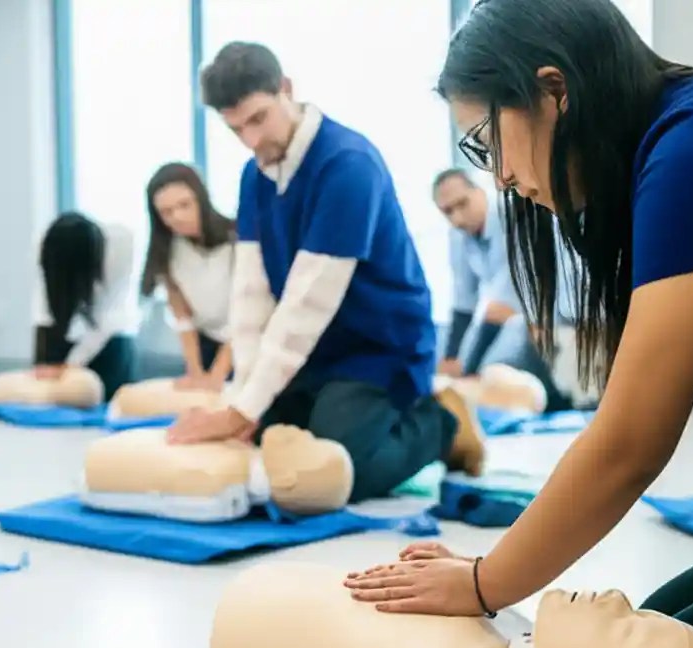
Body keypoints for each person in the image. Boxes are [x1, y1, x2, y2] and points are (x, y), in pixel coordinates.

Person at [343, 0, 693, 648]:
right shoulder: (678, 143)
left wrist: (487, 582)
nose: (498, 178)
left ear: (555, 90)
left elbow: (631, 442)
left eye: (485, 142)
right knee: (661, 633)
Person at [168, 42, 485, 502]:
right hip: (315, 354)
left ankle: (441, 423)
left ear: (286, 90)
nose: (252, 140)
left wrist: (243, 408)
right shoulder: (253, 176)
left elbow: (305, 304)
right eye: (236, 129)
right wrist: (242, 403)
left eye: (258, 119)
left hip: (379, 349)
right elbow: (252, 295)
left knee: (335, 471)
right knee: (262, 439)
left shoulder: (347, 165)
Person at [432, 167, 572, 411]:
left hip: (562, 314)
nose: (457, 218)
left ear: (479, 192)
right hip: (521, 319)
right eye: (447, 212)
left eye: (462, 204)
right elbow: (464, 301)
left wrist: (467, 372)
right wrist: (451, 358)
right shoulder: (458, 236)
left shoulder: (511, 216)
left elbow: (503, 305)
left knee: (501, 362)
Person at [140, 162, 236, 391]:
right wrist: (195, 372)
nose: (177, 217)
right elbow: (183, 319)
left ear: (201, 199)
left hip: (247, 341)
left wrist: (216, 376)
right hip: (207, 342)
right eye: (166, 212)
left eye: (184, 205)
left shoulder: (239, 240)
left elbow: (247, 315)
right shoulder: (168, 253)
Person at [33, 211, 139, 401]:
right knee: (47, 390)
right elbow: (45, 306)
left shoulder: (121, 245)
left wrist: (71, 365)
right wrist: (45, 361)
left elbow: (111, 317)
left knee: (108, 392)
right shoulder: (49, 247)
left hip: (109, 335)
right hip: (69, 329)